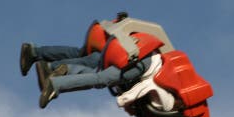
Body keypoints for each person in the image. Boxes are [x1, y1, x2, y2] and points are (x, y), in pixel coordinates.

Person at [38, 31, 169, 109]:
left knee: (96, 72)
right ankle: (56, 85)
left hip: (127, 47)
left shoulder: (167, 73)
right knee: (100, 79)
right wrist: (123, 100)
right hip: (142, 62)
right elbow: (142, 88)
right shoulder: (166, 94)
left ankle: (65, 69)